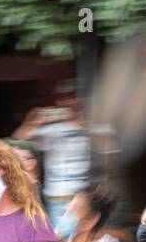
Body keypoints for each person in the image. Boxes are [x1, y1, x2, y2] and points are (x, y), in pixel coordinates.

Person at [13, 80, 92, 231]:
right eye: (64, 98)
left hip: (81, 197)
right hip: (56, 199)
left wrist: (84, 126)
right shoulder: (51, 129)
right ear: (58, 101)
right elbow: (18, 138)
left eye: (72, 97)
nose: (69, 102)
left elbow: (110, 145)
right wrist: (32, 122)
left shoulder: (89, 124)